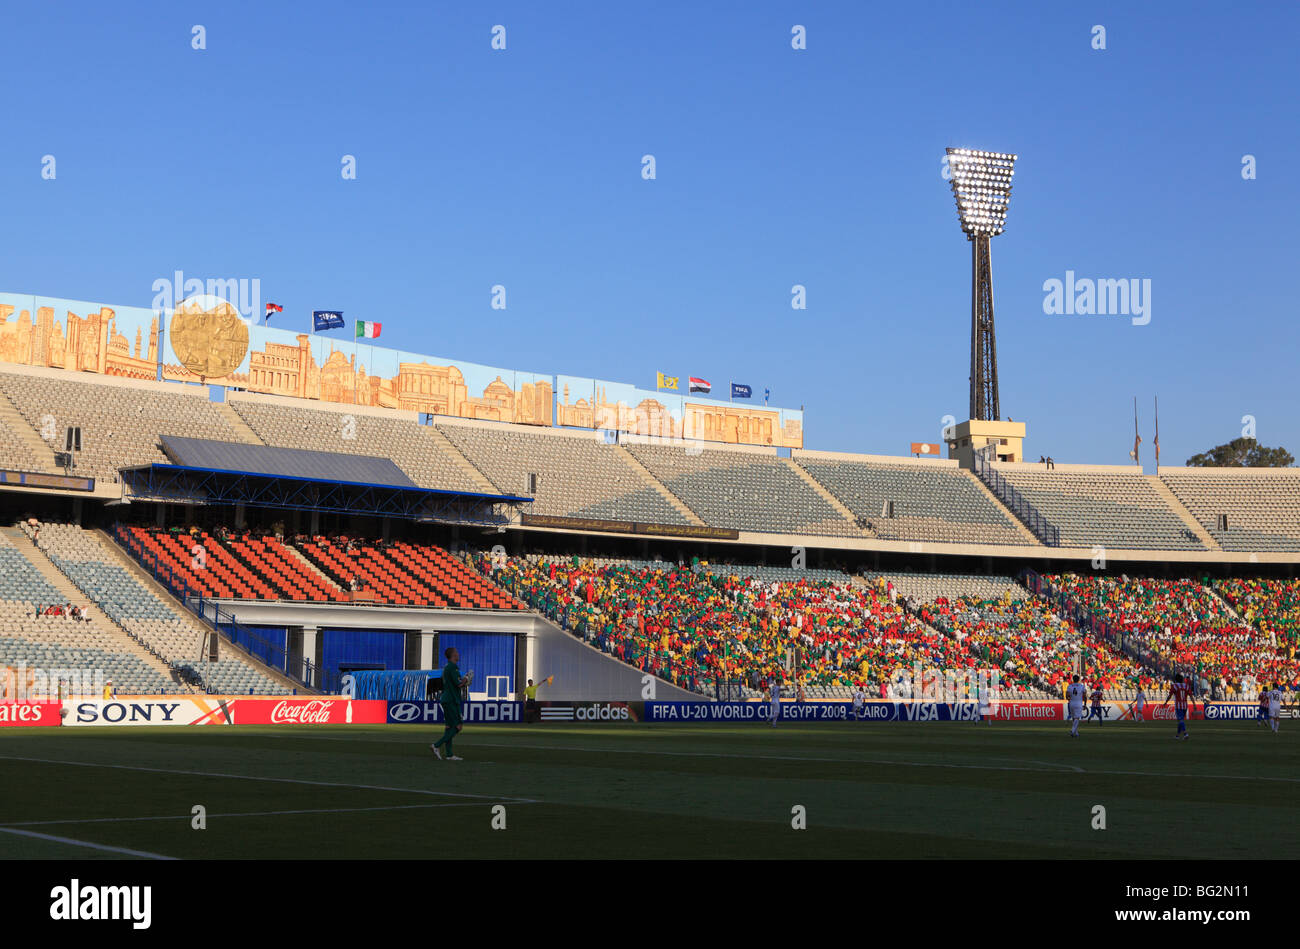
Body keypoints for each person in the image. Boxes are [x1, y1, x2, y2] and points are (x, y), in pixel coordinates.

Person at [431, 647, 466, 761]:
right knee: (458, 726)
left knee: (449, 726)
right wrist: (466, 680)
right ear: (453, 655)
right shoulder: (452, 667)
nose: (458, 654)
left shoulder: (447, 667)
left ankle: (449, 754)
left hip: (447, 698)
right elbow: (458, 684)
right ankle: (436, 745)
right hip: (451, 699)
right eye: (456, 652)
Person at [1163, 673, 1193, 741]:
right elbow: (1191, 695)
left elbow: (1170, 695)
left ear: (1176, 679)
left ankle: (1185, 734)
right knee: (1180, 720)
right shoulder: (1186, 686)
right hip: (1185, 705)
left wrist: (1166, 702)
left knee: (1180, 720)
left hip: (1178, 705)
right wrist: (1194, 704)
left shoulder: (1174, 686)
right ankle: (1177, 736)